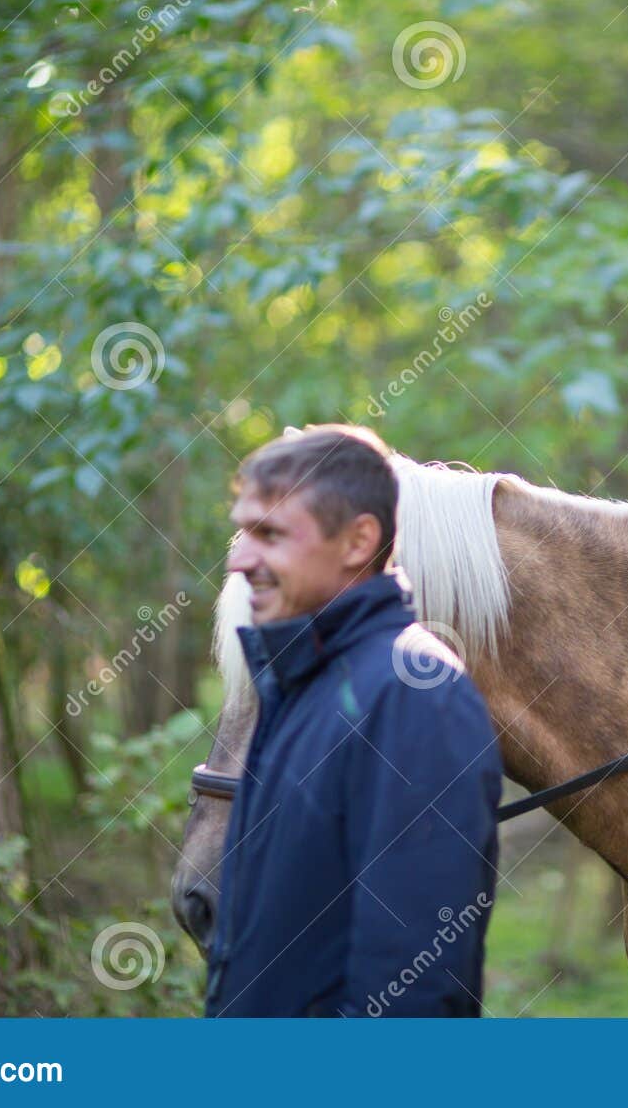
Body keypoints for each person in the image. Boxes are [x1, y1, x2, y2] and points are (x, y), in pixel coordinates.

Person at [204, 424, 502, 1017]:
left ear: (358, 540)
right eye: (241, 532)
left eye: (269, 534)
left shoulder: (415, 697)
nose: (239, 559)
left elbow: (414, 986)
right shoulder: (304, 688)